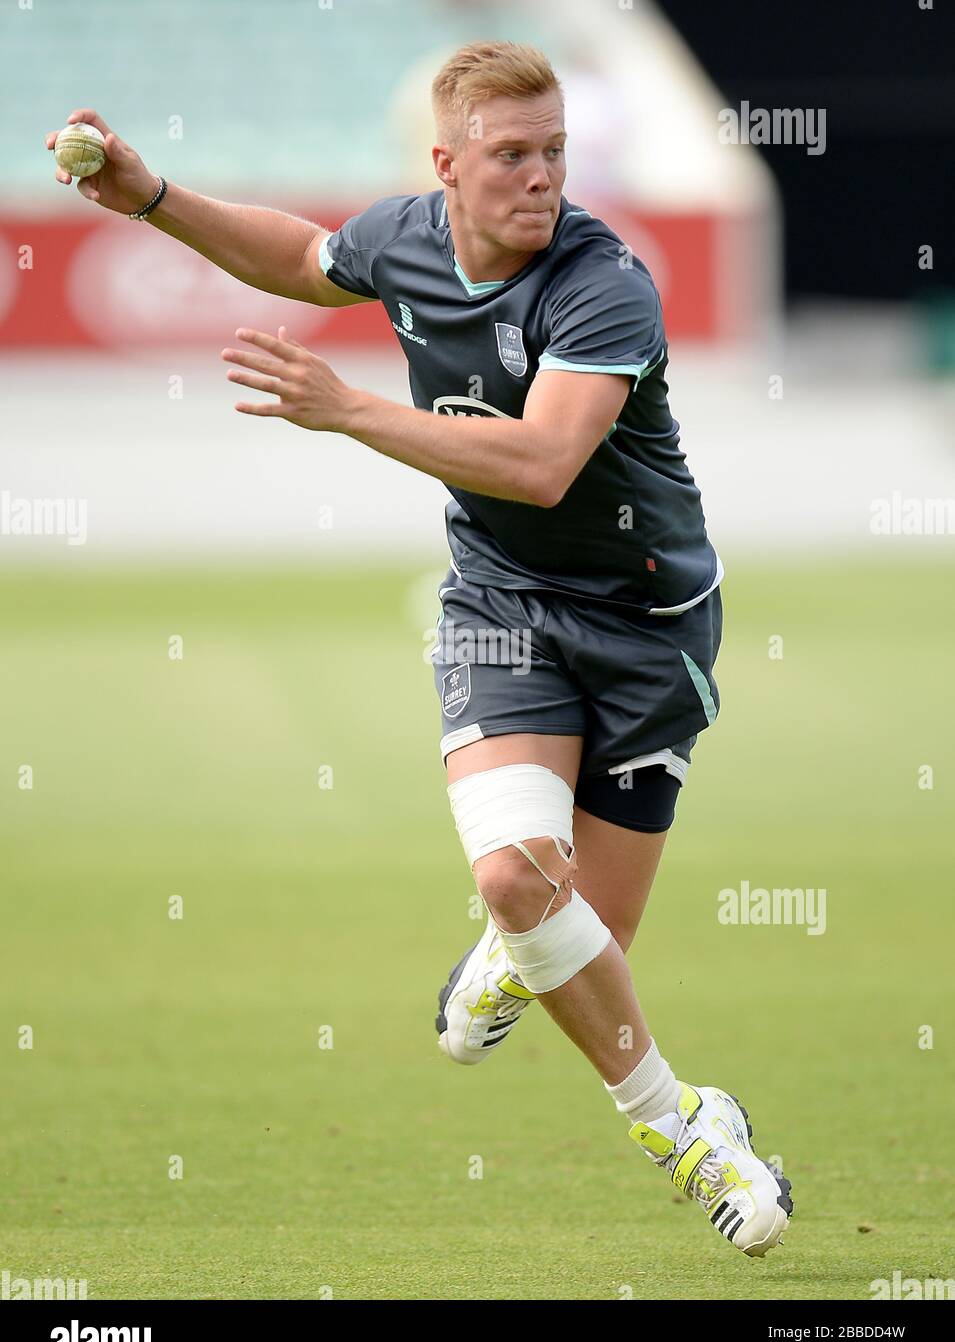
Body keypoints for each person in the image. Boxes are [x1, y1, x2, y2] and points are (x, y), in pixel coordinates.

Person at [47, 39, 791, 1258]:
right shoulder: (404, 238)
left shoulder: (603, 283)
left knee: (579, 950)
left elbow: (546, 464)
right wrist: (153, 198)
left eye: (552, 152)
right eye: (510, 157)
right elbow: (300, 255)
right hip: (501, 606)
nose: (541, 178)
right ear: (446, 165)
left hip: (650, 630)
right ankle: (686, 1125)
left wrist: (347, 411)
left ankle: (514, 954)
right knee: (516, 879)